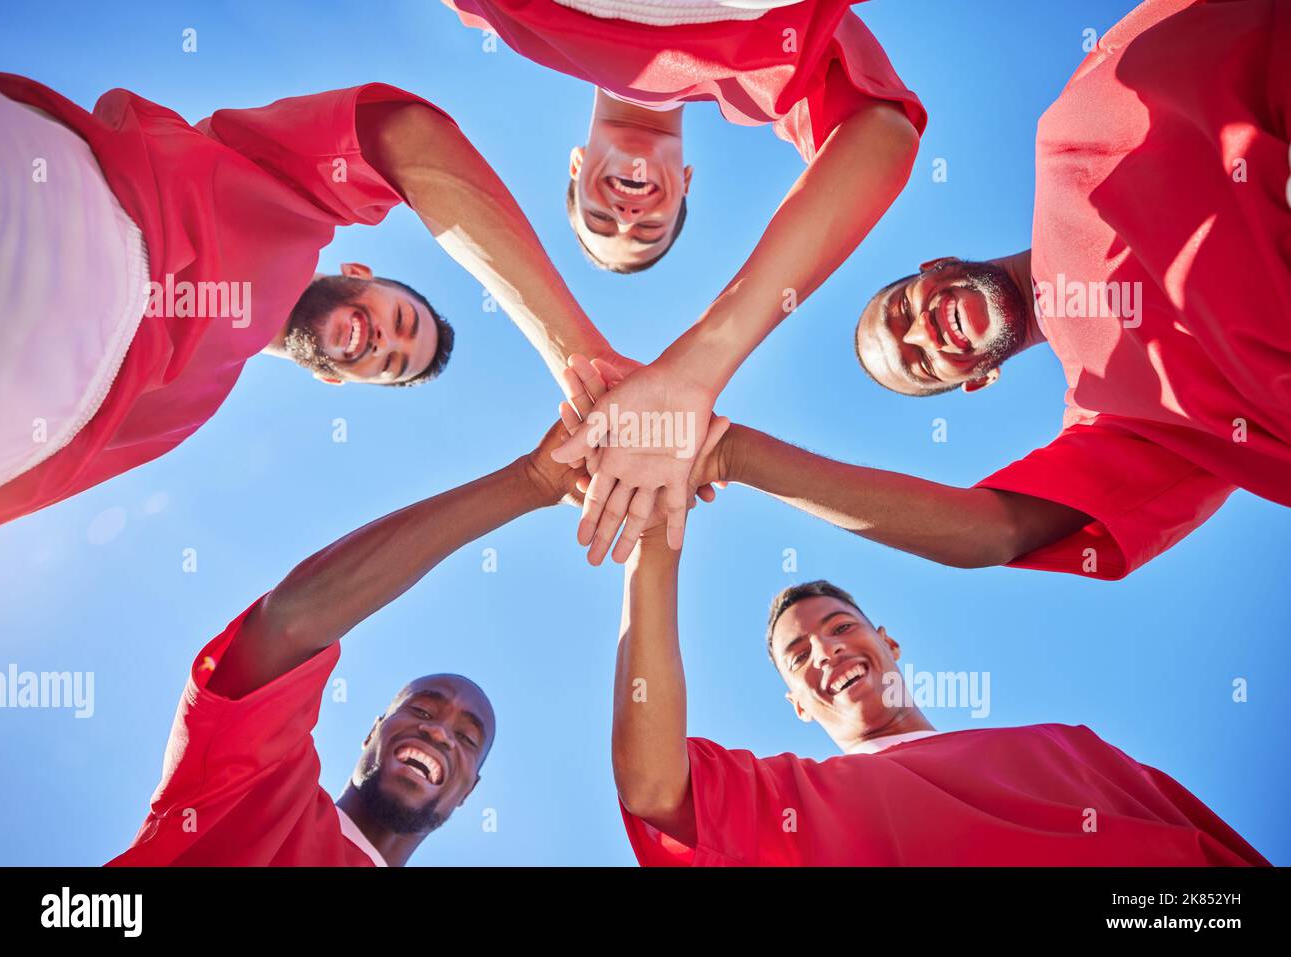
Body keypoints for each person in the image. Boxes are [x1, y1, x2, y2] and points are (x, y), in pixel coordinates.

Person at [0, 75, 627, 530]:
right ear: (360, 271)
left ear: (332, 377)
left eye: (391, 363)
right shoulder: (288, 196)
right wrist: (585, 365)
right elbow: (405, 137)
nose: (384, 341)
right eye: (399, 320)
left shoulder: (190, 411)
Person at [441, 0, 925, 556]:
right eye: (648, 229)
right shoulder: (767, 81)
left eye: (599, 217)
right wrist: (696, 369)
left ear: (576, 167)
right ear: (685, 184)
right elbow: (883, 133)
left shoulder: (510, 20)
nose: (625, 216)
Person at [831, 0, 1290, 578]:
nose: (924, 332)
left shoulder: (1072, 132)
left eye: (902, 312)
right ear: (975, 380)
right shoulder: (1115, 421)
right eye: (921, 364)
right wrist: (736, 455)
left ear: (937, 264)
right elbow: (993, 532)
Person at [108, 419, 588, 866]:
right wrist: (532, 481)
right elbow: (289, 626)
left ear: (468, 792)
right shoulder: (259, 792)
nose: (439, 732)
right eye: (421, 710)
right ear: (373, 732)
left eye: (466, 738)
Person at [612, 570, 1270, 866]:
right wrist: (654, 538)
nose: (829, 648)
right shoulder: (797, 805)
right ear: (798, 703)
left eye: (841, 626)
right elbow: (652, 785)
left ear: (888, 643)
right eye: (799, 655)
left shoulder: (1066, 746)